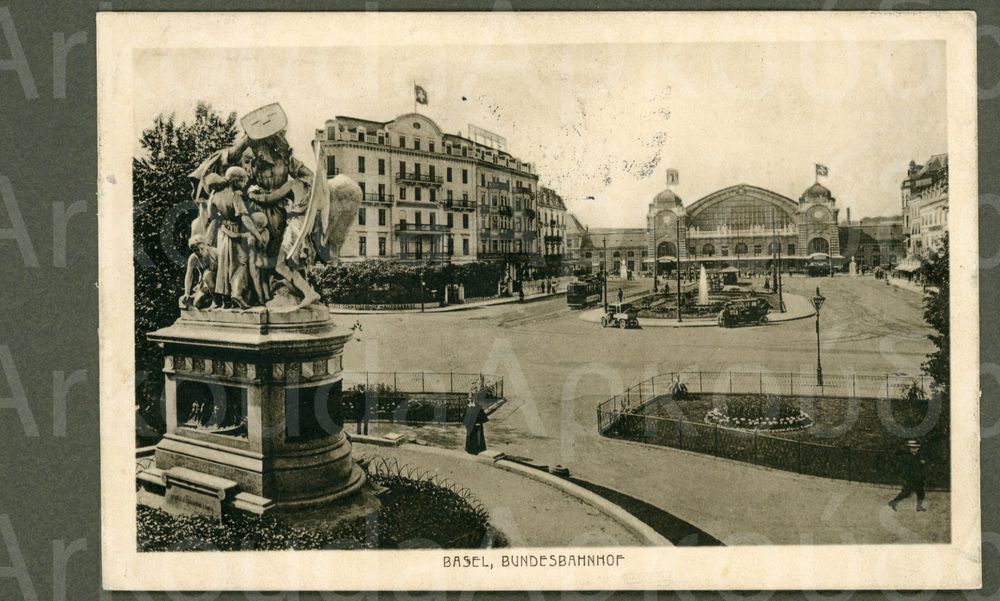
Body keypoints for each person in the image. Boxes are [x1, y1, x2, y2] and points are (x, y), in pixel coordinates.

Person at [889, 439, 927, 512]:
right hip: (911, 478)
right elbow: (909, 468)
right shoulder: (908, 457)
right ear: (910, 448)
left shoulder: (916, 455)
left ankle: (919, 506)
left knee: (920, 493)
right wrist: (920, 462)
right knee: (906, 493)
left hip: (918, 477)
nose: (916, 449)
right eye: (914, 448)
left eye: (917, 448)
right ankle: (893, 502)